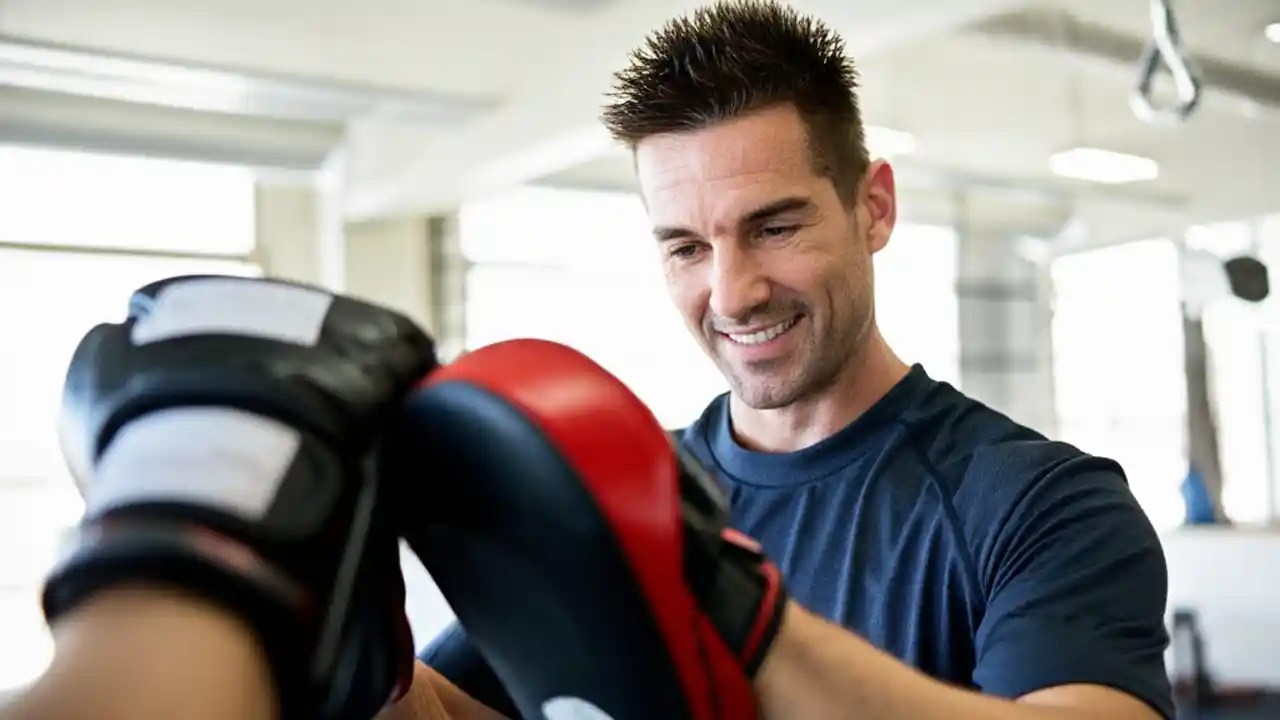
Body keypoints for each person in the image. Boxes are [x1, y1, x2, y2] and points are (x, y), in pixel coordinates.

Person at [401, 1, 1175, 719]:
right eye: (687, 247)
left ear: (874, 208)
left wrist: (735, 610)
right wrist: (361, 641)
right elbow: (453, 708)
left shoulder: (1042, 505)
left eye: (774, 229)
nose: (733, 294)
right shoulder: (632, 494)